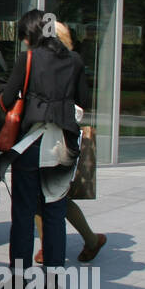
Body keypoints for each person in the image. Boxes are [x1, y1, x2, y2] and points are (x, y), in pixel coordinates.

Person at [0, 10, 91, 274]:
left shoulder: (28, 59)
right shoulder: (74, 60)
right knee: (54, 213)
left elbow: (7, 99)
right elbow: (85, 100)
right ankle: (53, 278)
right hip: (63, 145)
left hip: (30, 144)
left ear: (32, 34)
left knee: (24, 214)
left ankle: (19, 276)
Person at [33, 21, 106, 264]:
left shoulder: (59, 61)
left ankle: (58, 246)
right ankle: (90, 241)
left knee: (48, 195)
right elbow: (84, 98)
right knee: (49, 194)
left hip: (57, 137)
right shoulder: (71, 60)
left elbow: (81, 100)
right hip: (55, 135)